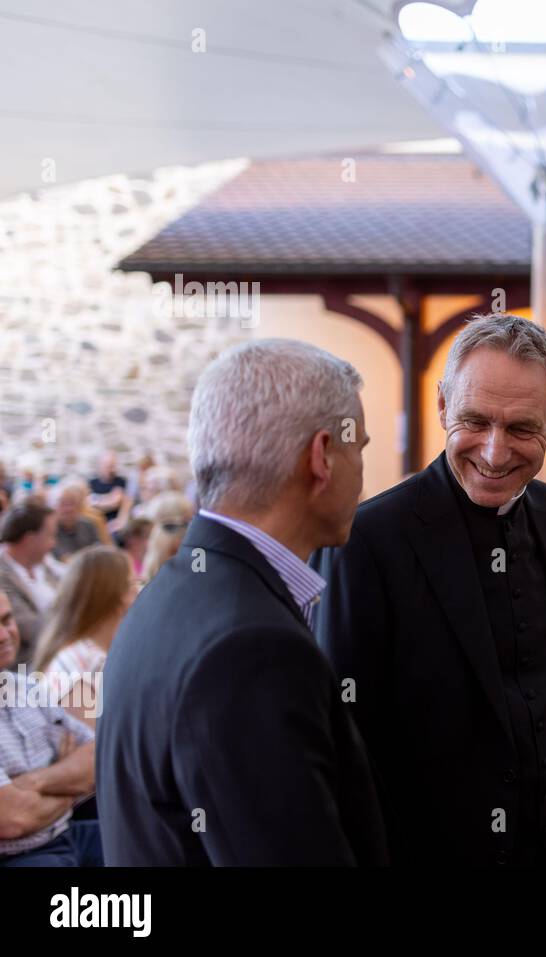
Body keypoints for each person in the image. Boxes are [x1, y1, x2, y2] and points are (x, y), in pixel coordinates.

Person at [313, 313, 546, 867]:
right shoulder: (368, 540)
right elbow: (345, 737)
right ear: (443, 406)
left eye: (522, 429)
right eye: (474, 421)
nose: (495, 453)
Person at [95, 339, 387, 865]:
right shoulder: (251, 648)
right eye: (359, 447)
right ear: (322, 456)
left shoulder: (174, 589)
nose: (363, 473)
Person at [0, 591, 100, 867]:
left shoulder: (27, 687)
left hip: (69, 833)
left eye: (7, 620)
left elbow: (95, 758)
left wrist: (33, 782)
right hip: (21, 855)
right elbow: (13, 820)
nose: (3, 635)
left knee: (153, 834)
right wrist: (68, 778)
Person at [32, 546, 136, 732]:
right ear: (119, 597)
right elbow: (95, 752)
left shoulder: (99, 652)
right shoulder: (76, 670)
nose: (138, 591)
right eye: (132, 584)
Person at [0, 501, 64, 664]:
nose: (54, 543)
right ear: (30, 539)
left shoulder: (44, 563)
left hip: (60, 650)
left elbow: (76, 588)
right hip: (30, 664)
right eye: (50, 535)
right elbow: (33, 630)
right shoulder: (3, 575)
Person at [52, 478, 103, 561]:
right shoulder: (51, 530)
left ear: (80, 507)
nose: (69, 509)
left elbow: (99, 552)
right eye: (63, 504)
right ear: (55, 507)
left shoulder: (89, 524)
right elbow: (64, 558)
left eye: (72, 503)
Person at [88, 452, 128, 526]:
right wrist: (110, 498)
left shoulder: (121, 482)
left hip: (114, 522)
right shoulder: (91, 483)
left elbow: (117, 502)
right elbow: (87, 505)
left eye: (112, 465)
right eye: (107, 465)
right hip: (94, 521)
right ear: (100, 465)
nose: (109, 469)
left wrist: (96, 501)